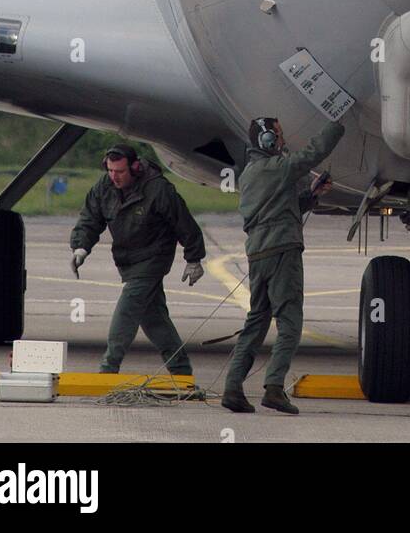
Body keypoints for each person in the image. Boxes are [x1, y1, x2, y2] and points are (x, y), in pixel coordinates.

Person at [223, 116, 344, 415]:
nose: (281, 139)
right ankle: (274, 387)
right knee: (290, 322)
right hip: (282, 251)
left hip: (259, 254)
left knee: (257, 321)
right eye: (278, 134)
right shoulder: (277, 167)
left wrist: (311, 195)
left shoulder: (252, 172)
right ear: (266, 140)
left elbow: (277, 207)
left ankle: (233, 387)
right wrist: (338, 122)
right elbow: (312, 153)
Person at [70, 144, 206, 377]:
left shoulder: (158, 189)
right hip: (128, 259)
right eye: (111, 171)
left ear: (134, 168)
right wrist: (81, 247)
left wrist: (194, 258)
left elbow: (183, 222)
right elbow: (90, 218)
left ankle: (109, 367)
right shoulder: (105, 186)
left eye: (120, 172)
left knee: (129, 307)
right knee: (153, 318)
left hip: (154, 257)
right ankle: (181, 370)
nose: (115, 177)